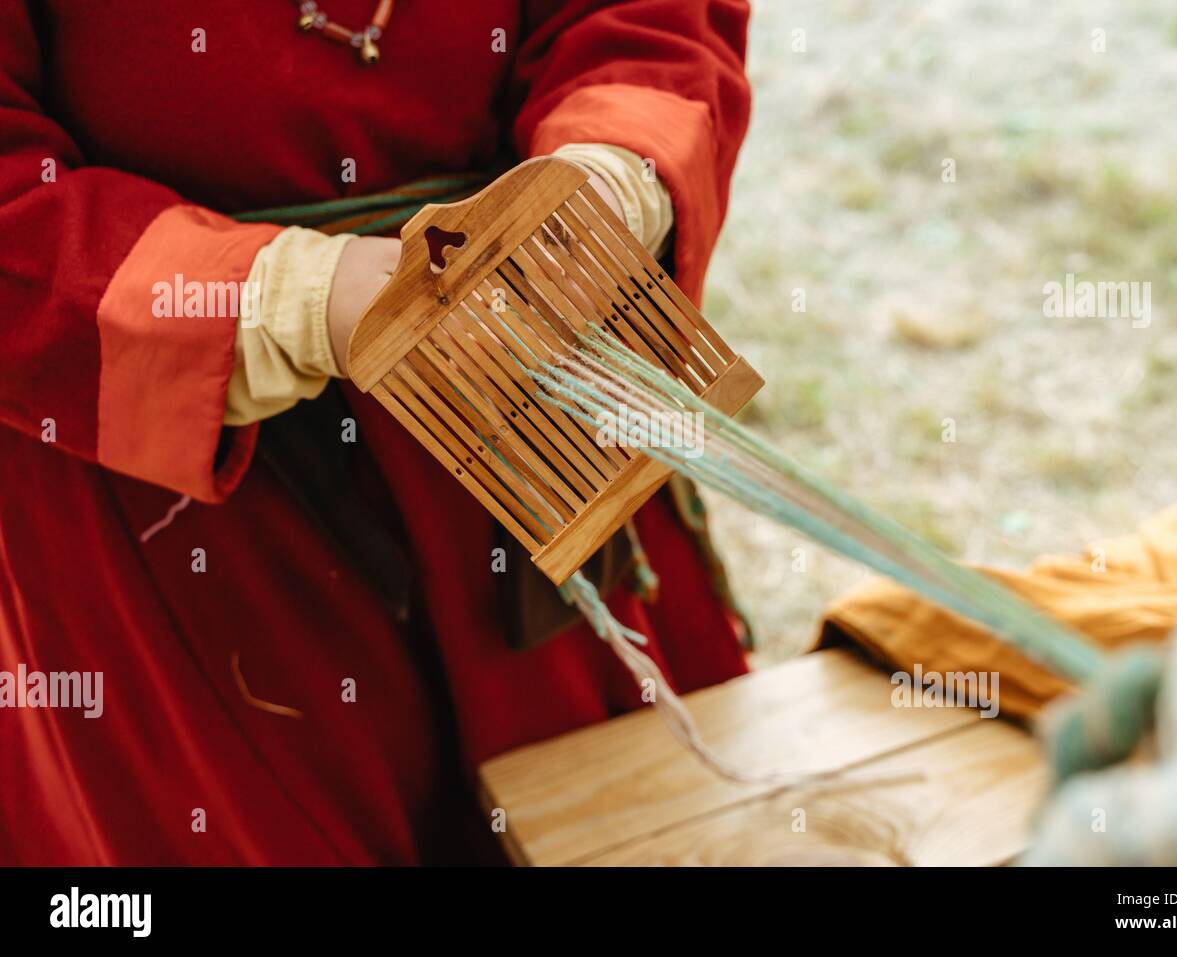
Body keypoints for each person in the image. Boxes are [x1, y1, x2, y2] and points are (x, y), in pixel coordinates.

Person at [0, 0, 753, 865]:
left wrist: (604, 181)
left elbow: (643, 22)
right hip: (172, 506)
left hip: (533, 399)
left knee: (612, 820)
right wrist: (298, 301)